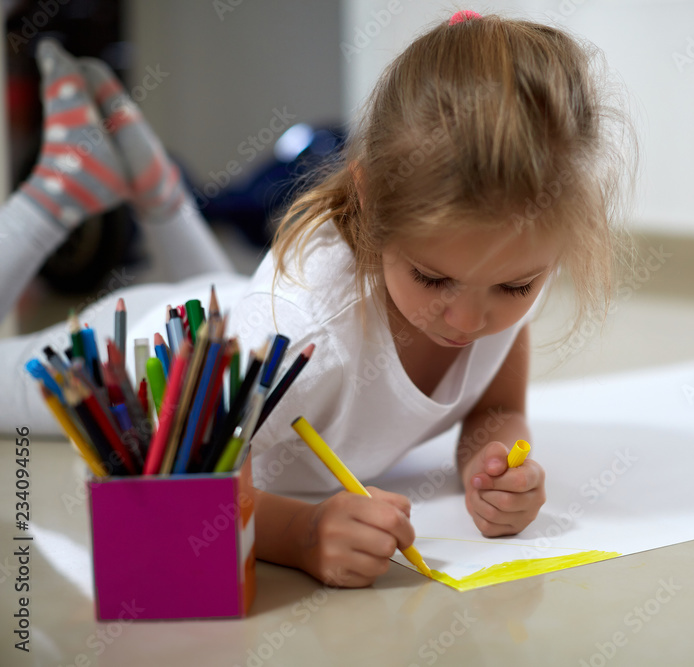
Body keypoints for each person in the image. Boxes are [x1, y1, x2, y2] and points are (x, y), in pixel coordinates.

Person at [0, 10, 638, 587]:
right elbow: (177, 495)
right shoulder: (304, 333)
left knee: (233, 296)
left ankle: (158, 190)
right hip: (150, 357)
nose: (472, 321)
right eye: (433, 279)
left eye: (515, 288)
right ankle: (57, 193)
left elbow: (495, 404)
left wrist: (494, 461)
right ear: (366, 199)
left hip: (235, 306)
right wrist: (302, 535)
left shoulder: (502, 249)